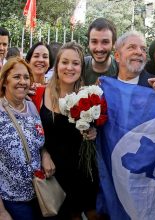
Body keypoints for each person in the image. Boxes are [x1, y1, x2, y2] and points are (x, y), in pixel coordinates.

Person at [31, 42, 98, 220]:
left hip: (83, 175)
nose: (70, 67)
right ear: (57, 65)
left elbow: (101, 129)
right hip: (53, 177)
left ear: (81, 68)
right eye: (65, 62)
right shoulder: (38, 94)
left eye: (75, 63)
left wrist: (94, 132)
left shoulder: (89, 97)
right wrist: (44, 153)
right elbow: (30, 133)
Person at [0, 57, 52, 219]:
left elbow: (36, 142)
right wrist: (1, 211)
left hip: (39, 195)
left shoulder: (31, 106)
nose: (22, 82)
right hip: (13, 202)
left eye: (26, 77)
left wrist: (45, 154)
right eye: (16, 77)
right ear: (4, 82)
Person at [114, 31, 155, 95]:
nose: (139, 52)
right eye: (132, 47)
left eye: (143, 49)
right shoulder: (106, 86)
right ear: (117, 56)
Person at [84, 18, 118, 85]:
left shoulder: (121, 69)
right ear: (88, 44)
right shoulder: (79, 66)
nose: (99, 49)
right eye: (94, 42)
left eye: (105, 42)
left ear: (113, 44)